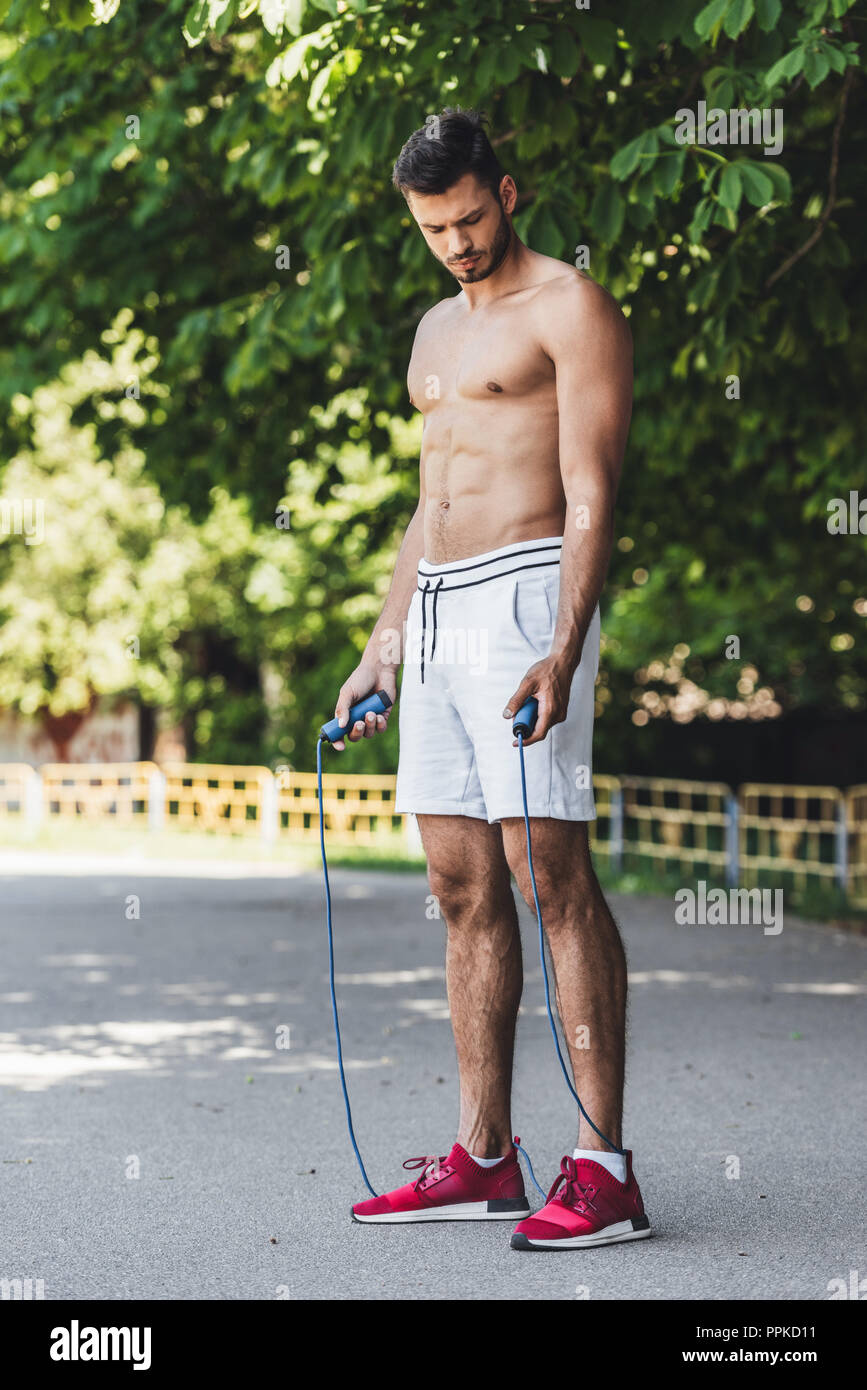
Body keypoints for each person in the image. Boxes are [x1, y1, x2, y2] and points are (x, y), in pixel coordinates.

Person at [331, 108, 649, 1251]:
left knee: (548, 870)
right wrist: (381, 647)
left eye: (469, 218)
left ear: (506, 194)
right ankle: (484, 1157)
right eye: (434, 228)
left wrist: (562, 648)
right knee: (462, 881)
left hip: (527, 597)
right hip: (439, 608)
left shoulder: (570, 306)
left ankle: (604, 1169)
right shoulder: (432, 332)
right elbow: (430, 507)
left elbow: (591, 489)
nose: (457, 243)